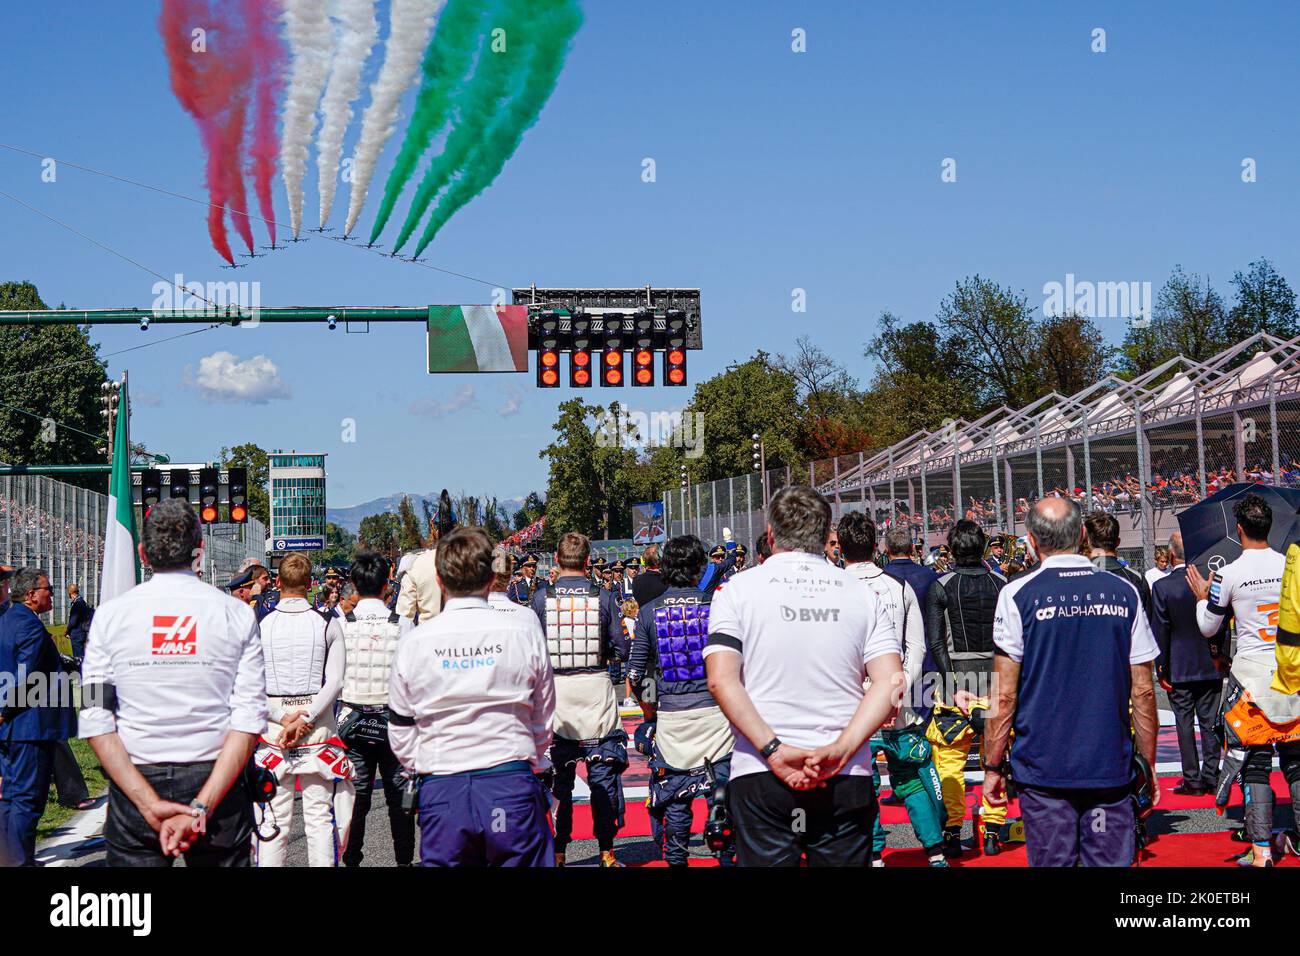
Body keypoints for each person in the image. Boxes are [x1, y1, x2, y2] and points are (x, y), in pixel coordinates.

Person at [704, 486, 903, 867]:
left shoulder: (737, 590)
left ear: (771, 534)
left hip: (760, 771)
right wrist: (843, 748)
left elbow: (721, 680)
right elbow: (891, 681)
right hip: (844, 770)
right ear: (826, 533)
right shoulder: (861, 594)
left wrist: (773, 750)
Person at [80, 498, 267, 867]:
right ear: (200, 552)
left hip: (136, 776)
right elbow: (248, 721)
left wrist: (147, 803)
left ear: (142, 554)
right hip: (218, 775)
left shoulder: (109, 617)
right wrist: (202, 805)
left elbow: (94, 716)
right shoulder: (235, 615)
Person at [984, 497, 1160, 867]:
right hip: (1108, 763)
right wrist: (1148, 763)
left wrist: (992, 766)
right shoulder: (1123, 591)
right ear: (1082, 534)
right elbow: (1143, 689)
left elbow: (1003, 694)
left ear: (1031, 541)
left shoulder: (1017, 594)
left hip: (1043, 765)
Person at [389, 527, 555, 866]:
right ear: (490, 575)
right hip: (509, 776)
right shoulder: (522, 629)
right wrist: (530, 756)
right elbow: (544, 711)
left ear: (438, 578)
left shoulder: (415, 642)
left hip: (443, 782)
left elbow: (401, 728)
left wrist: (425, 764)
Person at [1187, 493, 1291, 866]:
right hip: (1291, 674)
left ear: (1240, 529)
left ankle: (1262, 850)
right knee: (1296, 763)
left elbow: (1207, 626)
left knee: (1257, 764)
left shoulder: (1228, 573)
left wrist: (1203, 597)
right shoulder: (1292, 567)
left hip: (1249, 677)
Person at [838, 512, 947, 867]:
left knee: (863, 781)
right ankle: (935, 852)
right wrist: (897, 685)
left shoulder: (834, 589)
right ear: (875, 546)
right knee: (910, 777)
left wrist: (864, 688)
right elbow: (917, 646)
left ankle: (874, 855)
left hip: (854, 707)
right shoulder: (898, 589)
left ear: (840, 549)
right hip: (901, 701)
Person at [627, 535, 735, 866]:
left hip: (672, 719)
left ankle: (677, 860)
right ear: (699, 567)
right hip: (716, 716)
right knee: (724, 797)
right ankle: (727, 857)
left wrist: (650, 716)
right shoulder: (715, 606)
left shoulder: (647, 613)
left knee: (675, 800)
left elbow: (636, 676)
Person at [530, 532, 630, 867]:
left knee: (561, 785)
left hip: (557, 698)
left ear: (556, 561)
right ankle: (607, 851)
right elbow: (622, 647)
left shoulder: (541, 598)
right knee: (602, 781)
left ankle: (559, 853)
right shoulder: (603, 597)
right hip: (596, 693)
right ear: (588, 561)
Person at [252, 552, 353, 867]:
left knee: (273, 821)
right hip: (317, 730)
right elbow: (335, 682)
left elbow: (249, 684)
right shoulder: (328, 623)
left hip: (274, 732)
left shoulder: (259, 623)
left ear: (278, 582)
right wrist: (306, 717)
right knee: (319, 818)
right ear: (311, 584)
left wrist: (284, 718)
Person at [923, 519, 1008, 857]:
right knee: (995, 759)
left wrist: (950, 685)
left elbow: (935, 642)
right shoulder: (1001, 583)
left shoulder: (940, 585)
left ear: (951, 549)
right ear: (984, 547)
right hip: (996, 679)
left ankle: (953, 831)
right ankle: (992, 831)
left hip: (956, 681)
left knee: (949, 763)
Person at [337, 552, 414, 868]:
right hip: (394, 724)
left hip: (352, 722)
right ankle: (405, 862)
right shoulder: (404, 623)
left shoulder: (340, 622)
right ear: (388, 586)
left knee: (355, 800)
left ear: (354, 584)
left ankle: (351, 859)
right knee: (400, 802)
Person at [0, 568, 78, 866]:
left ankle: (12, 858)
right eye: (48, 588)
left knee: (11, 797)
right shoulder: (29, 627)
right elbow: (25, 676)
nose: (52, 594)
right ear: (31, 595)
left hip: (13, 728)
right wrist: (4, 711)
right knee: (27, 799)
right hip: (28, 726)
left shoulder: (7, 620)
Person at [1150, 533, 1225, 797]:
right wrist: (1220, 654)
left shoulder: (1162, 587)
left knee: (1183, 724)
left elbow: (1160, 631)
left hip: (1178, 666)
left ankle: (1192, 780)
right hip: (1208, 662)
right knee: (1210, 723)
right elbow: (1221, 621)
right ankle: (1212, 776)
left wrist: (1161, 667)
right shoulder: (1211, 582)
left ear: (1171, 555)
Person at [1084, 512, 1152, 617]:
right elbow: (1147, 622)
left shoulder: (1075, 577)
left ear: (1087, 542)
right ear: (1118, 542)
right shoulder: (1135, 578)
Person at [65, 583, 93, 663]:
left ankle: (80, 673)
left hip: (77, 635)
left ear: (70, 593)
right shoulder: (83, 602)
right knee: (82, 656)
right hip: (83, 632)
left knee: (78, 658)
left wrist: (67, 631)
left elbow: (73, 621)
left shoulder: (77, 604)